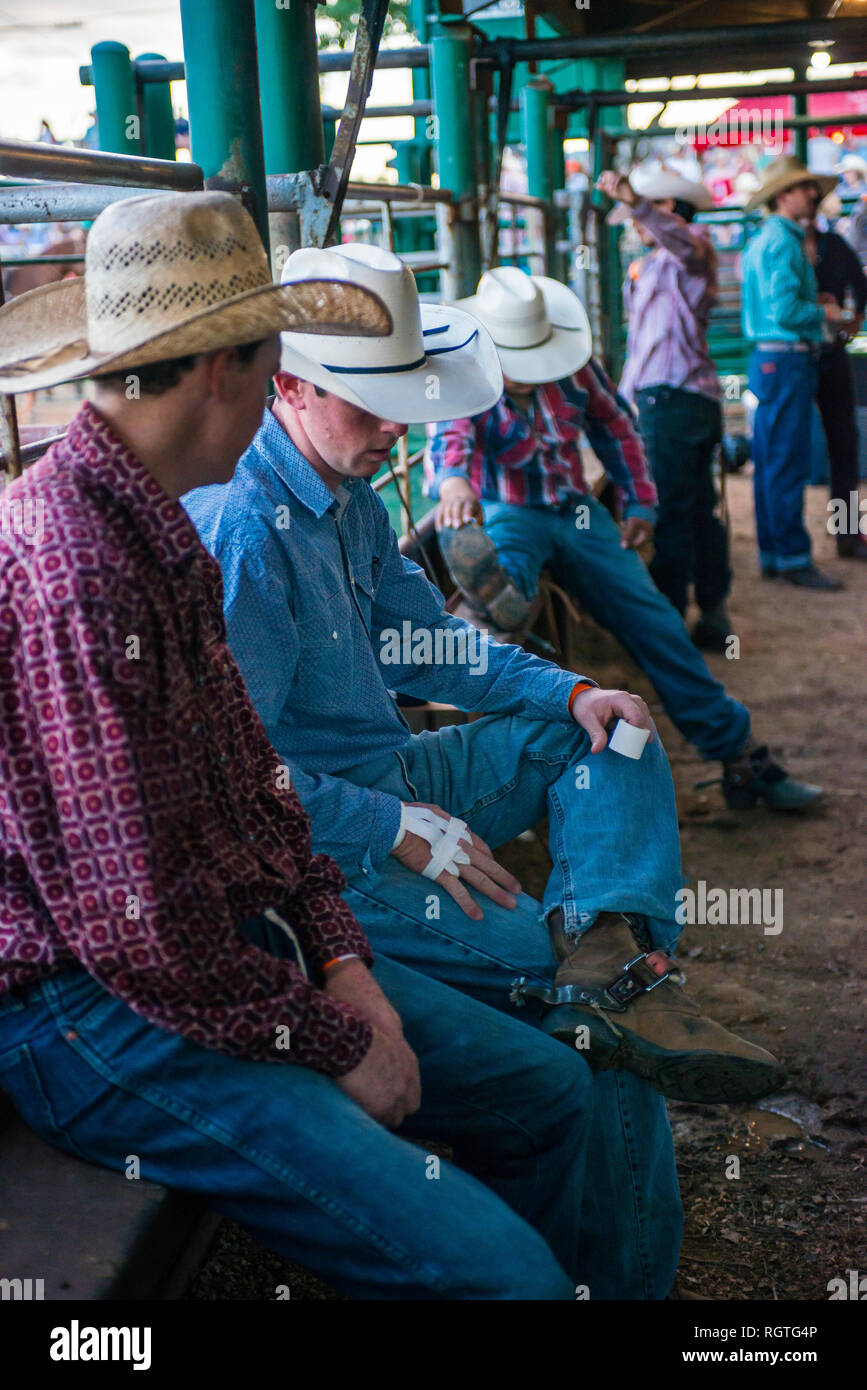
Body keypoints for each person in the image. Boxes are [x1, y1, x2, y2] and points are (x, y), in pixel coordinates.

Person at [0, 193, 648, 1303]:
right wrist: (326, 1028)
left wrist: (341, 960)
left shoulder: (156, 530)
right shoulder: (84, 570)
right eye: (271, 366)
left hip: (211, 943)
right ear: (232, 371)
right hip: (94, 1008)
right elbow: (133, 930)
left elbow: (249, 785)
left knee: (553, 1096)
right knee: (507, 1267)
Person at [185, 242, 787, 1294]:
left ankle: (610, 942)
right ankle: (622, 1240)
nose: (391, 431)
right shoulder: (245, 529)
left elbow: (439, 648)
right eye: (365, 406)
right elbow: (243, 780)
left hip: (388, 774)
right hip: (331, 838)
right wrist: (395, 828)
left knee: (616, 725)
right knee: (596, 1040)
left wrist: (565, 693)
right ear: (288, 386)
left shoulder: (351, 504)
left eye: (396, 404)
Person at [427, 264, 822, 814]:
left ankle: (739, 753)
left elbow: (616, 425)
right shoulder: (469, 375)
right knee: (502, 597)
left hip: (574, 509)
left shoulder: (574, 369)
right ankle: (500, 613)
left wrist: (640, 502)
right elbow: (453, 437)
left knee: (656, 622)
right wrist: (451, 484)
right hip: (507, 505)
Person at [597, 165, 731, 652]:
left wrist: (636, 202)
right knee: (696, 509)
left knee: (674, 512)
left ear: (666, 209)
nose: (634, 222)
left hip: (671, 400)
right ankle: (710, 613)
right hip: (677, 397)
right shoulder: (662, 262)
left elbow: (681, 241)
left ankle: (669, 625)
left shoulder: (690, 247)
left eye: (642, 212)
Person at [741, 156, 845, 588]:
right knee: (786, 458)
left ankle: (776, 552)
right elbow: (784, 310)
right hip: (786, 357)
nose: (814, 196)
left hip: (771, 358)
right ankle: (791, 556)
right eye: (806, 189)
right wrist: (825, 312)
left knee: (772, 456)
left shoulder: (767, 239)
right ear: (784, 195)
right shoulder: (784, 242)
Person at [802, 204, 867, 561]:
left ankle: (845, 533)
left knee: (843, 444)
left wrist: (853, 318)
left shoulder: (833, 246)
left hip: (824, 354)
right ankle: (796, 544)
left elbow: (861, 285)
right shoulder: (785, 248)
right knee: (836, 445)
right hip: (800, 357)